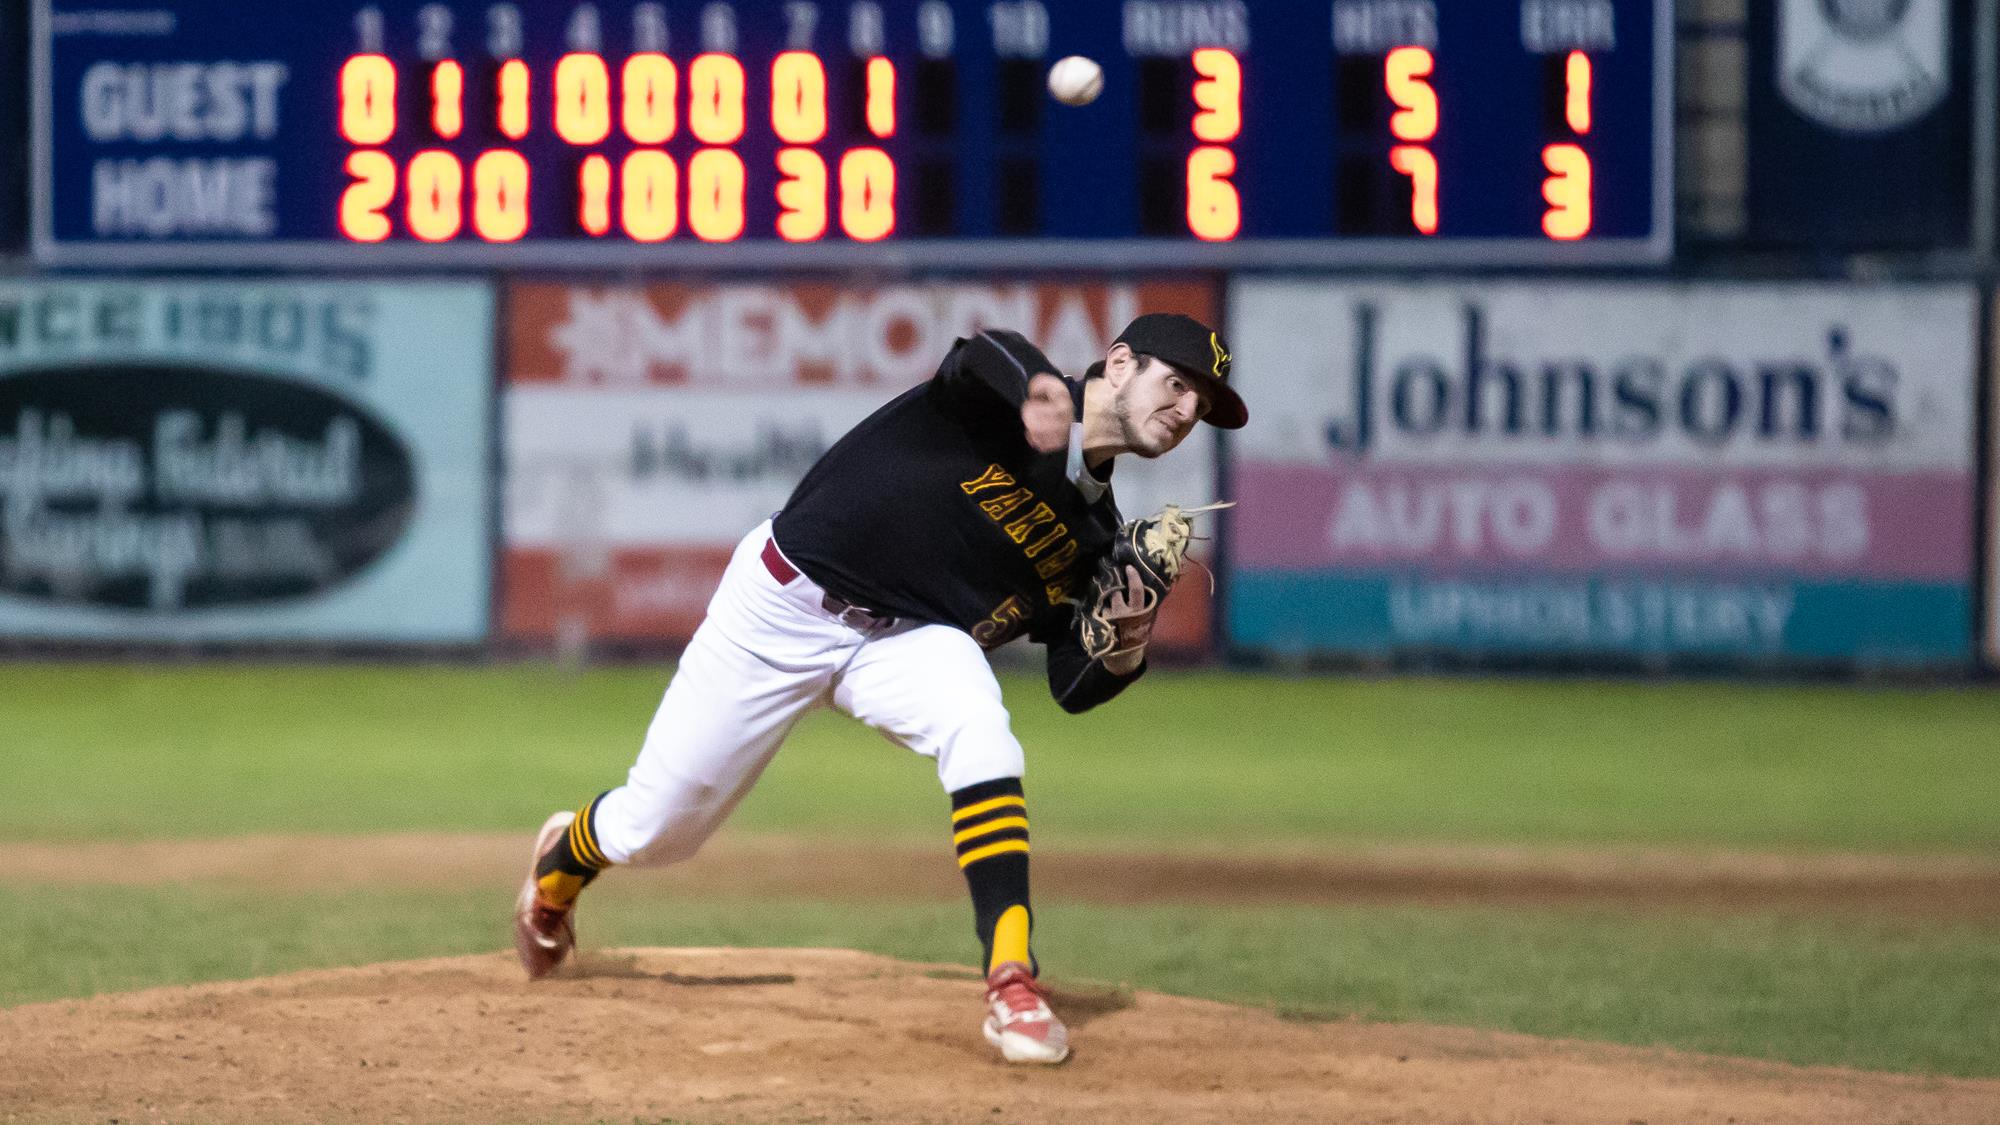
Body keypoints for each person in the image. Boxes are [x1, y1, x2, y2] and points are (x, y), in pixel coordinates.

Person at [513, 312, 1248, 1064]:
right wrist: (1039, 393)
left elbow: (1073, 683)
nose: (1188, 410)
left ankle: (1012, 981)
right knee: (659, 830)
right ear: (1119, 364)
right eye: (1179, 382)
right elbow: (978, 354)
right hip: (783, 606)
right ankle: (563, 861)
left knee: (982, 729)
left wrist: (1127, 629)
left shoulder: (1096, 539)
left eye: (1203, 404)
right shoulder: (1012, 397)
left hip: (907, 640)